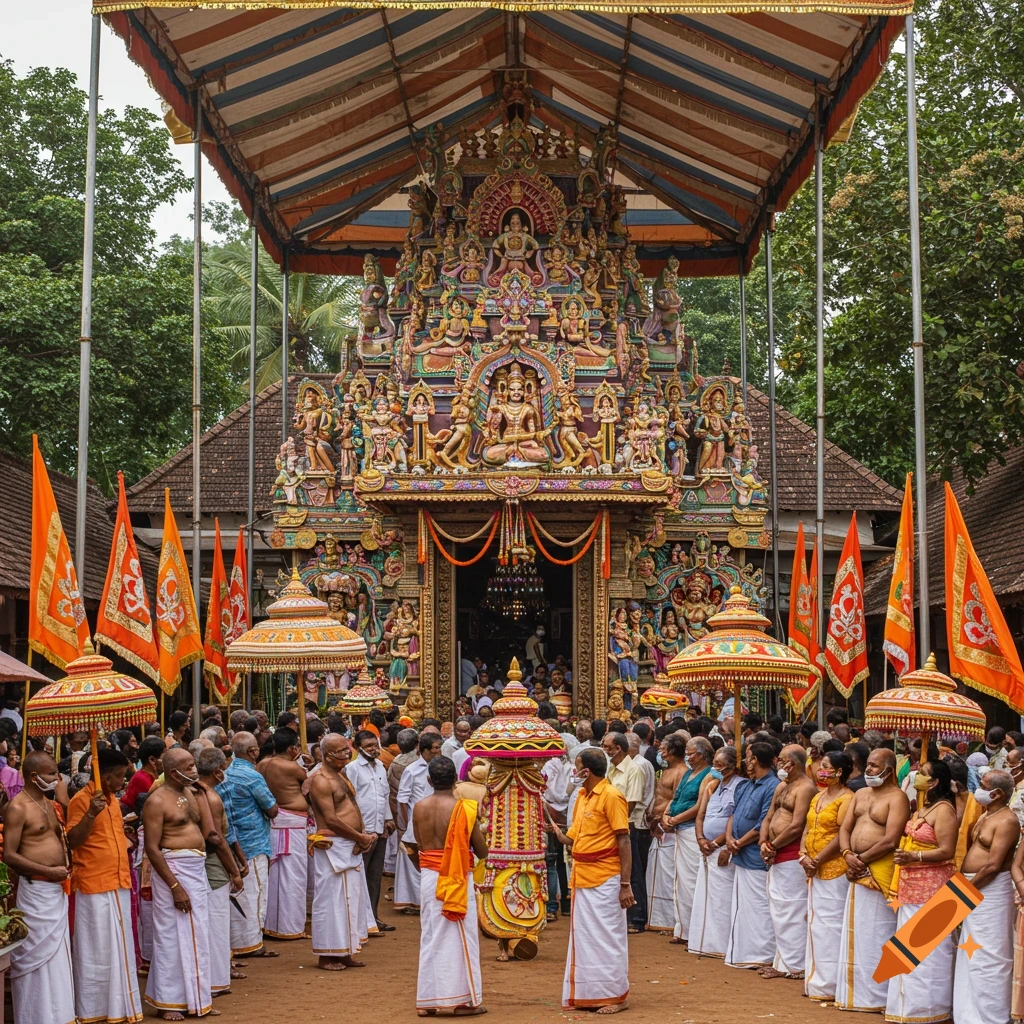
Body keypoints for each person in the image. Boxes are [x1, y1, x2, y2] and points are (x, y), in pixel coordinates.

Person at [547, 748, 632, 1013]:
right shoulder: (582, 796)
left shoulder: (612, 796)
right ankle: (586, 994)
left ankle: (614, 996)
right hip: (582, 876)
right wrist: (555, 829)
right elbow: (572, 839)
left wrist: (625, 884)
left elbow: (624, 840)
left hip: (606, 877)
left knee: (607, 937)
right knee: (584, 938)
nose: (573, 772)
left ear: (587, 771)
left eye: (577, 767)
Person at [65, 748, 143, 1023]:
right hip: (94, 883)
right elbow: (72, 841)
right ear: (105, 776)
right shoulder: (81, 800)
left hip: (117, 879)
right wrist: (89, 814)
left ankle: (120, 1007)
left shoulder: (110, 799)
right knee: (96, 949)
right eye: (120, 777)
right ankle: (94, 1010)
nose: (123, 782)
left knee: (118, 946)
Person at [834, 747, 909, 1012]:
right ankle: (854, 995)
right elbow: (844, 828)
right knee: (857, 930)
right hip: (855, 865)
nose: (868, 770)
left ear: (890, 770)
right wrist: (846, 854)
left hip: (877, 870)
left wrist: (861, 859)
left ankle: (876, 997)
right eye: (867, 764)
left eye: (875, 766)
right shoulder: (861, 794)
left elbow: (891, 839)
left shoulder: (898, 797)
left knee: (877, 931)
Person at [884, 759, 959, 1022]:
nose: (917, 776)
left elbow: (947, 851)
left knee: (930, 949)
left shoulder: (944, 810)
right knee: (907, 945)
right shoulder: (922, 807)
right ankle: (907, 1006)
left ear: (935, 781)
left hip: (933, 886)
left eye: (923, 774)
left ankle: (929, 1010)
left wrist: (914, 856)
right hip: (909, 885)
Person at [412, 756, 488, 1016]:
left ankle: (428, 1002)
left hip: (429, 876)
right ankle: (461, 1001)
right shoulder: (464, 808)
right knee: (460, 937)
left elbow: (418, 846)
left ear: (429, 780)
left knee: (431, 935)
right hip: (456, 876)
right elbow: (482, 850)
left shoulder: (419, 807)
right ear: (457, 780)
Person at [4, 750, 75, 1024]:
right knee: (36, 960)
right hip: (36, 893)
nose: (57, 778)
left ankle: (61, 1016)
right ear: (34, 777)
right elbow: (9, 855)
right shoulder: (18, 807)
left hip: (55, 892)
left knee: (57, 960)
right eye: (51, 774)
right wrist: (49, 871)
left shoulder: (49, 802)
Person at [142, 748, 213, 1020]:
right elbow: (152, 847)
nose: (195, 770)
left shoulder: (188, 792)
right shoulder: (157, 800)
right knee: (172, 936)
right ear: (173, 772)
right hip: (174, 872)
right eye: (190, 766)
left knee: (198, 935)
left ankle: (196, 998)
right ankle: (169, 1002)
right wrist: (175, 887)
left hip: (195, 869)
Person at [308, 733, 377, 969]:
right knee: (331, 900)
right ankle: (327, 954)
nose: (347, 754)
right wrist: (359, 836)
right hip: (333, 845)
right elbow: (331, 819)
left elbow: (352, 806)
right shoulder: (320, 780)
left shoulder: (341, 774)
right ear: (326, 755)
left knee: (350, 900)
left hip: (350, 844)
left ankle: (345, 949)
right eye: (341, 751)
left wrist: (363, 834)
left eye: (347, 750)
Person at [954, 769, 1018, 1024]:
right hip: (973, 886)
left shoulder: (1007, 821)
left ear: (998, 793)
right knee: (970, 954)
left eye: (983, 785)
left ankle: (992, 1018)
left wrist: (964, 890)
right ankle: (969, 1016)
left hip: (990, 890)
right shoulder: (986, 814)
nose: (978, 789)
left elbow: (993, 865)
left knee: (990, 956)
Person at [217, 731, 279, 957]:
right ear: (253, 752)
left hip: (233, 842)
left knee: (240, 893)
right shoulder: (251, 776)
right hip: (253, 842)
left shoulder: (225, 774)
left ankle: (240, 942)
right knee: (255, 892)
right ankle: (251, 944)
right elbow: (271, 809)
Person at [759, 744, 816, 980]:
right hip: (774, 853)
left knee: (792, 910)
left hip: (791, 854)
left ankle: (796, 965)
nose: (779, 764)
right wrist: (764, 842)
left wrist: (773, 846)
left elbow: (796, 825)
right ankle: (782, 962)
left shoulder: (806, 788)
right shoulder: (782, 786)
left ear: (794, 763)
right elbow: (769, 816)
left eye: (782, 760)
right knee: (778, 911)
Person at [800, 750, 854, 1002]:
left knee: (831, 927)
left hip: (834, 869)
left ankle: (831, 983)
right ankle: (816, 979)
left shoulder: (847, 799)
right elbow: (808, 827)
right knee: (816, 924)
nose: (820, 770)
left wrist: (818, 859)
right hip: (813, 867)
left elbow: (842, 834)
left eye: (825, 767)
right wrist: (803, 855)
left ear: (839, 772)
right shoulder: (818, 796)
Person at [723, 741, 781, 969]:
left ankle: (763, 954)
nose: (746, 761)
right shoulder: (745, 786)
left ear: (755, 760)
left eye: (748, 757)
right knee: (744, 906)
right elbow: (733, 814)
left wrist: (738, 842)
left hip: (756, 855)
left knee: (760, 906)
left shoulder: (773, 786)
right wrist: (729, 839)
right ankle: (745, 952)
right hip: (739, 851)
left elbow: (763, 823)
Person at [195, 747, 245, 997]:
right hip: (213, 864)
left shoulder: (201, 792)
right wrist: (233, 870)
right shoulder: (209, 797)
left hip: (206, 863)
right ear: (217, 771)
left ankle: (214, 977)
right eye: (225, 766)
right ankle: (214, 980)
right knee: (215, 922)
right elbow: (215, 838)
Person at [256, 727, 309, 941]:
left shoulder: (261, 764)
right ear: (291, 748)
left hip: (276, 821)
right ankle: (289, 926)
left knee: (277, 875)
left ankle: (272, 924)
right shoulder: (291, 768)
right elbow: (306, 785)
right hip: (291, 822)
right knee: (293, 876)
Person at [689, 745, 742, 958]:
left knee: (722, 898)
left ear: (731, 767)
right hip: (705, 846)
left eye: (720, 766)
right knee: (706, 895)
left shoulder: (740, 786)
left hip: (722, 848)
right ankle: (706, 942)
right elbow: (701, 814)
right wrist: (701, 838)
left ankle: (722, 944)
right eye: (715, 764)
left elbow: (735, 818)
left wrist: (719, 843)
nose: (715, 768)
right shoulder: (713, 785)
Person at [664, 737, 714, 945]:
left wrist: (675, 818)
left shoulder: (708, 774)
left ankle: (696, 931)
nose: (687, 756)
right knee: (681, 882)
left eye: (690, 753)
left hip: (692, 829)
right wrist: (666, 816)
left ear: (701, 755)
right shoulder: (686, 774)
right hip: (678, 829)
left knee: (694, 880)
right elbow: (675, 798)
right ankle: (683, 928)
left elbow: (700, 805)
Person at [347, 728, 396, 931]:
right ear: (358, 748)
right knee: (360, 873)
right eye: (368, 746)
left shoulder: (380, 767)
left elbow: (383, 796)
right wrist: (360, 829)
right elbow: (351, 800)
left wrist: (388, 819)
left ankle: (373, 918)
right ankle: (360, 921)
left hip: (379, 828)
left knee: (374, 876)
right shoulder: (352, 769)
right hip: (363, 830)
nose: (374, 749)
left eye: (375, 745)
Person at [601, 732, 644, 934]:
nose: (604, 749)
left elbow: (631, 802)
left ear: (618, 748)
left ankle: (636, 917)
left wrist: (615, 822)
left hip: (626, 826)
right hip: (610, 827)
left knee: (631, 871)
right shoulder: (610, 768)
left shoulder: (633, 769)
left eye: (607, 746)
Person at [396, 732, 443, 911]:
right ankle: (414, 902)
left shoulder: (441, 767)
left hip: (437, 821)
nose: (439, 751)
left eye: (439, 747)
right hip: (415, 823)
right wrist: (406, 824)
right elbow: (402, 800)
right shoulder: (412, 770)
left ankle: (429, 901)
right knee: (413, 863)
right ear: (424, 750)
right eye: (435, 748)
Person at [645, 732, 685, 933]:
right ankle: (658, 918)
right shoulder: (666, 770)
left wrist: (663, 821)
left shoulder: (681, 772)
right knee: (658, 875)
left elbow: (675, 800)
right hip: (657, 828)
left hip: (668, 829)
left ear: (671, 751)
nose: (659, 752)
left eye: (662, 749)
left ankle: (671, 921)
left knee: (670, 875)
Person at [625, 732, 655, 933]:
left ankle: (638, 917)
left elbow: (635, 799)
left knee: (635, 871)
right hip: (635, 820)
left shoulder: (638, 765)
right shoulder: (636, 764)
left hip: (636, 821)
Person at [542, 751, 572, 921]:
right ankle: (565, 906)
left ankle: (552, 906)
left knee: (552, 863)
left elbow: (548, 790)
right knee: (562, 862)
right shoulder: (571, 767)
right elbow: (567, 793)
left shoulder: (549, 766)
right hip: (566, 818)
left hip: (549, 817)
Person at [387, 728, 420, 878]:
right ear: (417, 743)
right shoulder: (417, 764)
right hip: (413, 811)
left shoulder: (395, 762)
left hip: (399, 812)